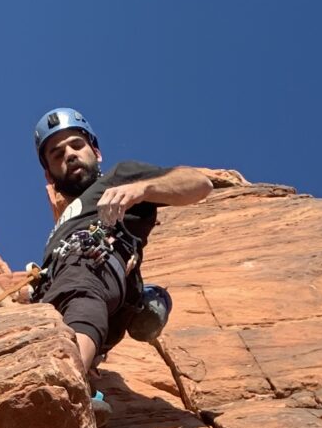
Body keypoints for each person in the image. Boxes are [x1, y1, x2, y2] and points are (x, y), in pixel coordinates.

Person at [33, 107, 212, 378]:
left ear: (96, 152)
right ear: (49, 175)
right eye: (57, 154)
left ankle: (67, 380)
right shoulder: (60, 226)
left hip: (92, 270)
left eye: (77, 145)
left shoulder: (120, 176)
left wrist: (142, 189)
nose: (69, 154)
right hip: (58, 291)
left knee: (81, 290)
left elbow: (199, 184)